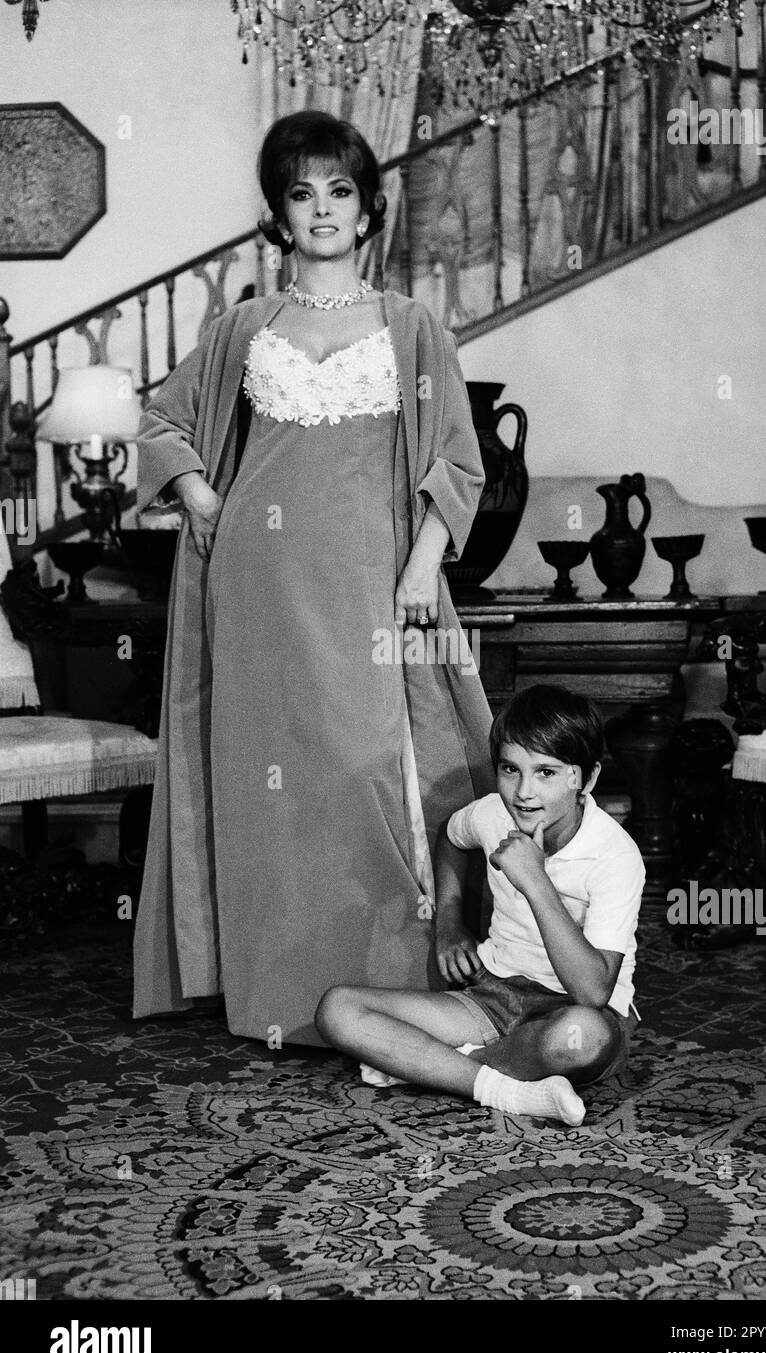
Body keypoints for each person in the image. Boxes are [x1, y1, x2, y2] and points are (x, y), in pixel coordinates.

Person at [132, 110, 494, 1044]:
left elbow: (454, 464)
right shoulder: (243, 328)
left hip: (372, 582)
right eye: (302, 193)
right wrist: (206, 504)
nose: (322, 208)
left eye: (339, 190)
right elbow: (162, 427)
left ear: (369, 209)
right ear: (279, 216)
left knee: (370, 766)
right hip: (254, 588)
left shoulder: (414, 329)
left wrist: (422, 566)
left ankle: (391, 984)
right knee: (271, 786)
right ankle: (279, 999)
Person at [316, 685, 645, 1125]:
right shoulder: (493, 814)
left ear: (586, 779)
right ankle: (509, 1090)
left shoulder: (615, 856)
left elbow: (593, 991)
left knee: (580, 1038)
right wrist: (449, 921)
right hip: (494, 994)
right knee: (338, 1009)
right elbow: (451, 839)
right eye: (511, 769)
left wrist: (535, 881)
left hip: (576, 1011)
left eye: (546, 773)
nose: (524, 792)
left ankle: (433, 1066)